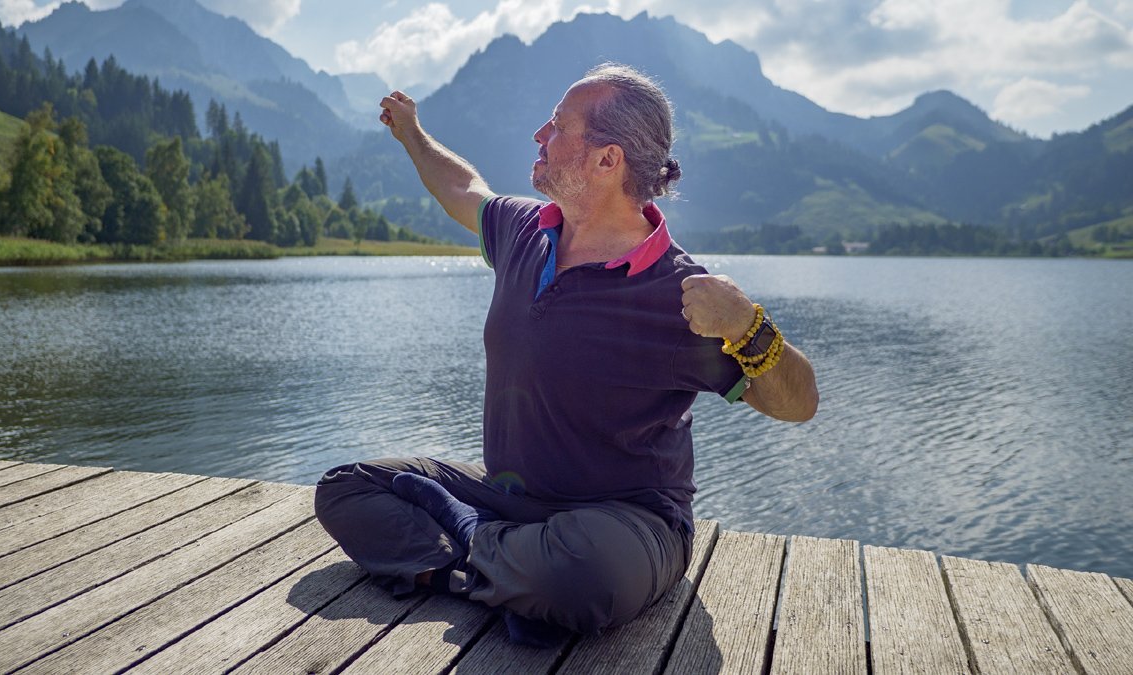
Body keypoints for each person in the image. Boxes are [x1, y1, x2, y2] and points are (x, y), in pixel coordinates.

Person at [314, 63, 818, 647]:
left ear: (608, 160)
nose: (538, 136)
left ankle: (468, 553)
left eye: (556, 126)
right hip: (507, 500)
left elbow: (798, 404)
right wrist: (412, 135)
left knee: (587, 571)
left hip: (625, 524)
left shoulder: (680, 295)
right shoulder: (523, 231)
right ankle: (490, 564)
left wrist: (747, 325)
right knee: (347, 488)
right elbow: (462, 189)